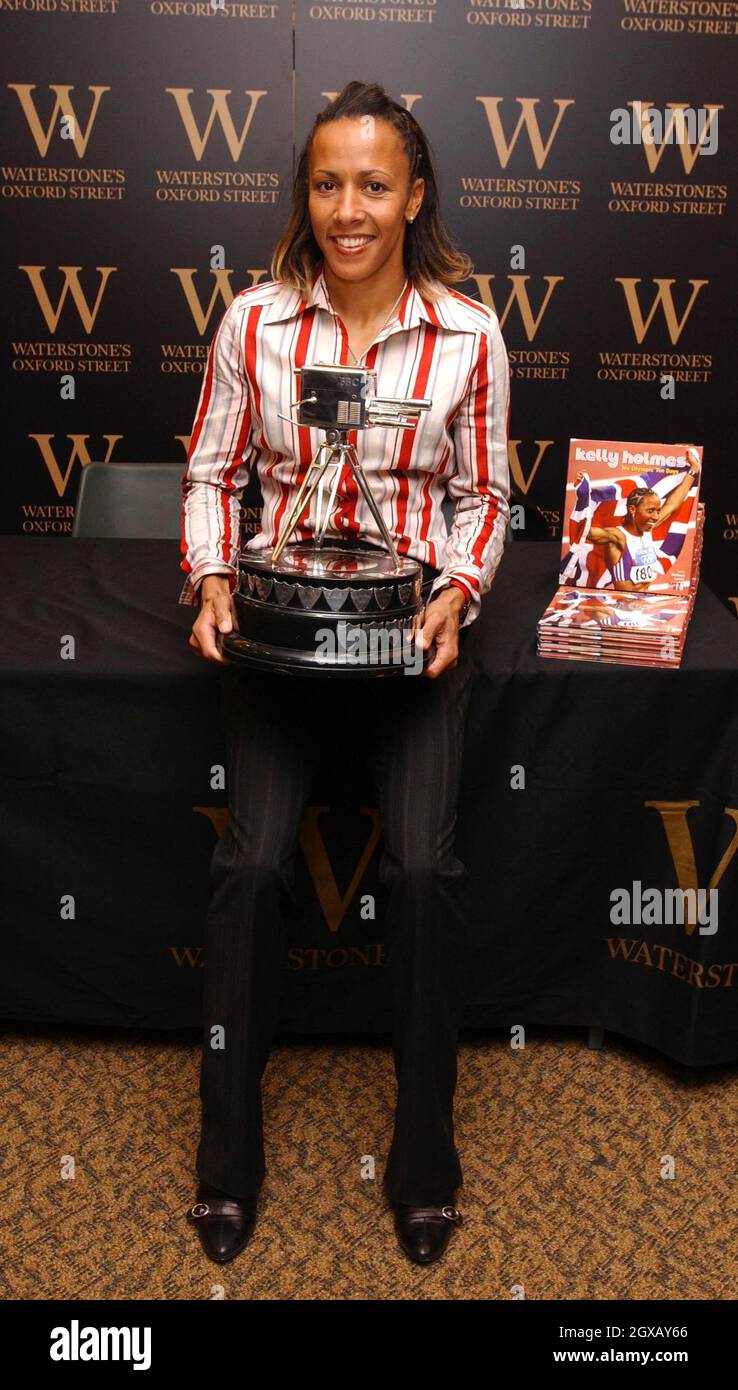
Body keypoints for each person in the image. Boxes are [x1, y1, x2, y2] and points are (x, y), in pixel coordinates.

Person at [179, 80, 511, 1267]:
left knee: (425, 869)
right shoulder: (253, 324)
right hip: (279, 641)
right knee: (250, 862)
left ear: (414, 196)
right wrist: (215, 581)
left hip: (406, 642)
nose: (349, 209)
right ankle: (228, 1166)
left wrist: (457, 594)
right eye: (328, 183)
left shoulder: (471, 333)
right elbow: (214, 475)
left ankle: (425, 1164)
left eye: (375, 184)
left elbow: (483, 500)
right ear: (304, 194)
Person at [574, 464, 700, 591]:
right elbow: (588, 532)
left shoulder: (648, 528)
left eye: (657, 511)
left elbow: (671, 504)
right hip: (623, 601)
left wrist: (693, 472)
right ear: (633, 510)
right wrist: (583, 499)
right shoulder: (618, 536)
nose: (656, 516)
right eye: (650, 511)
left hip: (642, 600)